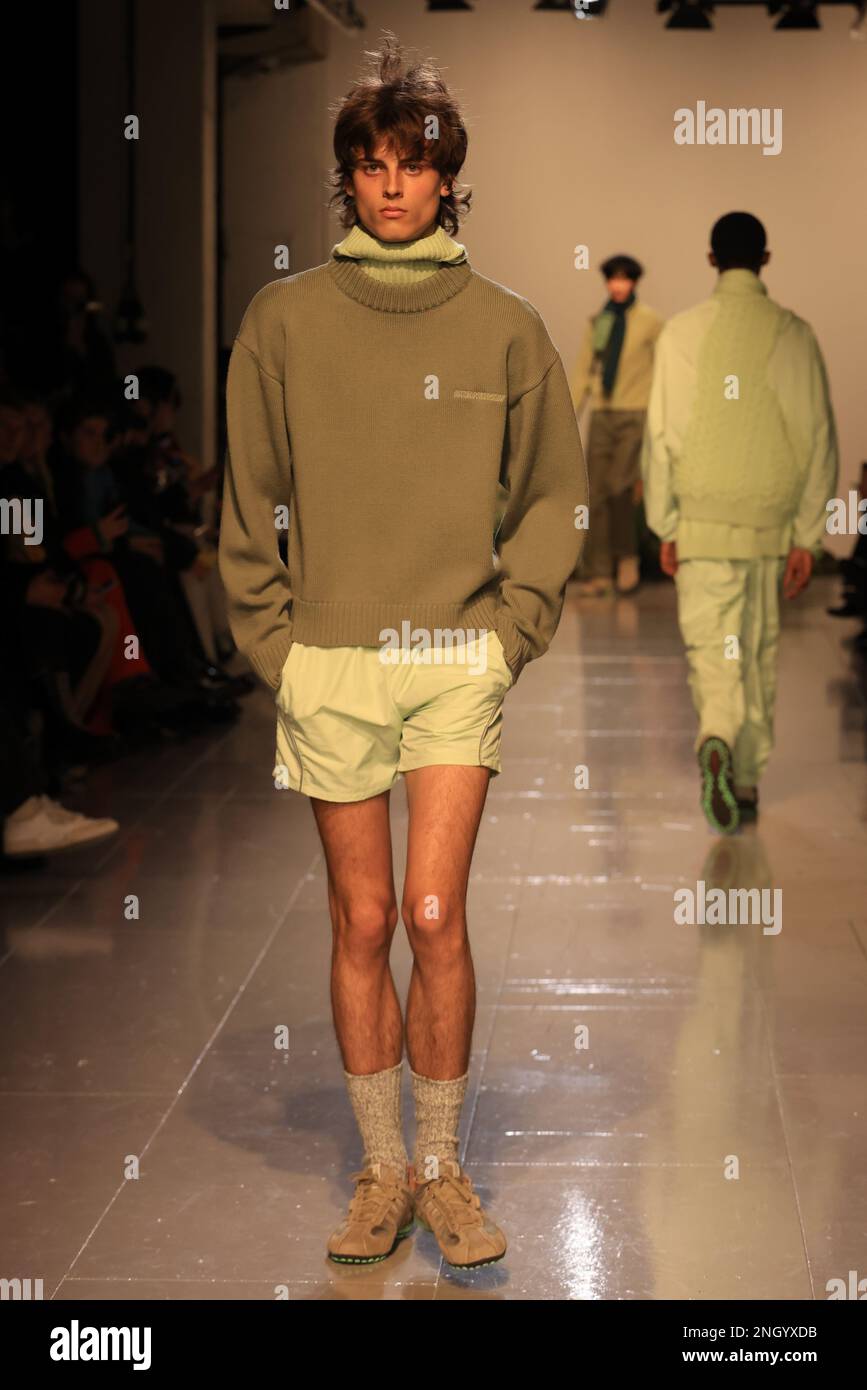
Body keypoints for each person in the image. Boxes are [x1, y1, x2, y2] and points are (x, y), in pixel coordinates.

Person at [218, 32, 588, 1268]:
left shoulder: (505, 328)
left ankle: (443, 1168)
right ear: (349, 179)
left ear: (447, 180)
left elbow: (552, 496)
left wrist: (510, 633)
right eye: (370, 164)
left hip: (452, 661)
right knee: (364, 915)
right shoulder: (282, 322)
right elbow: (250, 495)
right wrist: (279, 646)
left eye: (411, 165)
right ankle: (381, 1170)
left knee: (435, 910)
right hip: (329, 663)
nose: (390, 185)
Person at [641, 211, 838, 833]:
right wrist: (809, 534)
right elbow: (816, 438)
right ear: (766, 259)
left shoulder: (679, 334)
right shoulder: (794, 335)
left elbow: (663, 437)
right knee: (756, 649)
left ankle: (716, 735)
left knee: (713, 650)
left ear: (710, 260)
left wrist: (666, 523)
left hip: (702, 519)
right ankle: (746, 779)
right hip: (768, 523)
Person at [568, 254, 663, 595]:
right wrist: (570, 415)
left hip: (635, 412)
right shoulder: (600, 322)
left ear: (635, 282)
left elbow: (662, 369)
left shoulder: (651, 322)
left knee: (622, 489)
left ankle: (626, 558)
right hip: (604, 412)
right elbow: (583, 370)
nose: (618, 285)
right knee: (595, 491)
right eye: (613, 279)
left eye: (625, 279)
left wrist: (659, 414)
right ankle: (598, 571)